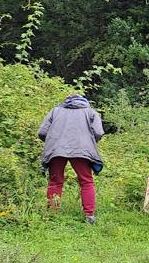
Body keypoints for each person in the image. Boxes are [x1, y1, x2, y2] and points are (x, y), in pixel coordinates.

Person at [38, 94, 105, 224]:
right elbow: (98, 132)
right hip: (82, 149)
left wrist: (52, 142)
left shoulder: (55, 110)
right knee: (86, 181)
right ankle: (89, 215)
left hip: (56, 149)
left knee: (55, 182)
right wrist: (90, 141)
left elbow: (42, 132)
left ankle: (52, 214)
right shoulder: (91, 112)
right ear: (84, 102)